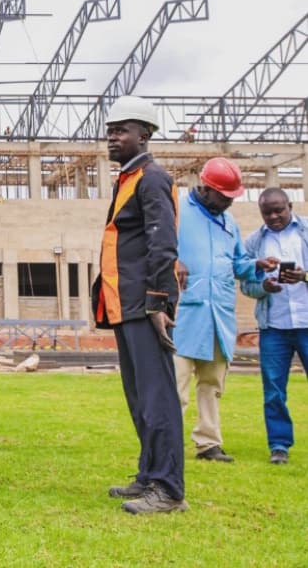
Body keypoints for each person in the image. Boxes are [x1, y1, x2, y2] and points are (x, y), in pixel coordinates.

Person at [91, 96, 186, 514]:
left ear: (144, 135)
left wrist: (159, 303)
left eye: (121, 131)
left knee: (157, 395)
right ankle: (149, 475)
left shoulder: (152, 179)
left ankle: (168, 489)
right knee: (140, 397)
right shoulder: (128, 179)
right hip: (124, 305)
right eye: (110, 131)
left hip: (145, 306)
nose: (112, 138)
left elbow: (163, 244)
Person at [175, 158, 276, 463]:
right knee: (175, 386)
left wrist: (256, 265)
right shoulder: (176, 211)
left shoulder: (229, 222)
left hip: (218, 316)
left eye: (232, 197)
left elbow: (238, 264)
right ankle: (167, 447)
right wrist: (172, 261)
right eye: (224, 196)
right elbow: (152, 247)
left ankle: (208, 443)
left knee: (213, 384)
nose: (229, 202)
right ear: (206, 188)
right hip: (182, 315)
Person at [240, 187, 308, 465]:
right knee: (274, 391)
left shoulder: (305, 232)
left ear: (290, 205)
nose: (273, 217)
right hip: (274, 328)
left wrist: (304, 276)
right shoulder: (254, 242)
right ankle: (279, 445)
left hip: (306, 322)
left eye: (278, 210)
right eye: (267, 212)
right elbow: (247, 285)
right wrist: (264, 287)